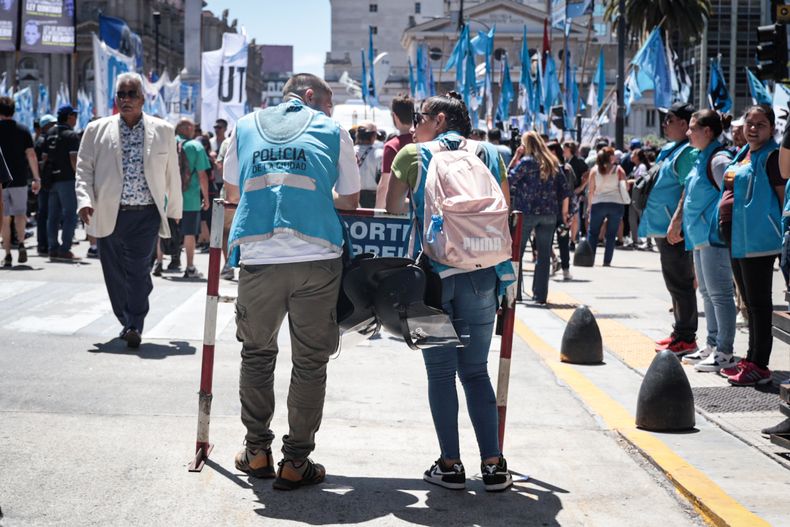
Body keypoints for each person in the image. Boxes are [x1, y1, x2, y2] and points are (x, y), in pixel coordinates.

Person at [223, 73, 359, 490]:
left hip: (259, 256)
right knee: (310, 362)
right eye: (329, 101)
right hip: (318, 256)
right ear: (309, 96)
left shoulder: (244, 127)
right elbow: (351, 200)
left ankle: (257, 451)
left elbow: (231, 194)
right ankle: (296, 462)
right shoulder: (334, 131)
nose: (332, 111)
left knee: (257, 354)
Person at [386, 92, 514, 492]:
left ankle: (450, 465)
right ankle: (494, 466)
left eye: (419, 118)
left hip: (433, 280)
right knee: (475, 372)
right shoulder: (493, 153)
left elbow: (390, 209)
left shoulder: (412, 154)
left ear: (439, 120)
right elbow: (505, 209)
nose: (413, 125)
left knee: (440, 374)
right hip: (483, 275)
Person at [75, 72, 182, 348]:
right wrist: (84, 200)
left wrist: (175, 212)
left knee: (136, 269)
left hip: (146, 214)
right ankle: (127, 316)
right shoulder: (96, 130)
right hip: (109, 211)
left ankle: (134, 323)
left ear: (143, 99)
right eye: (120, 95)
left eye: (131, 94)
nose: (125, 100)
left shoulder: (163, 130)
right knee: (114, 273)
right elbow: (84, 169)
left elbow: (173, 174)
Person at [717, 105, 784, 386]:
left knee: (759, 304)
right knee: (748, 301)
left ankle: (760, 364)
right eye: (749, 123)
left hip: (760, 240)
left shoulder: (773, 156)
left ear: (772, 128)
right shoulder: (744, 154)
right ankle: (751, 357)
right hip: (739, 238)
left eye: (761, 124)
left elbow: (783, 196)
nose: (753, 128)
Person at [677, 110, 737, 373]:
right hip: (699, 236)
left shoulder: (719, 160)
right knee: (707, 293)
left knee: (720, 294)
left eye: (693, 128)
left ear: (708, 131)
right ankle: (713, 344)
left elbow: (734, 194)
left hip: (713, 237)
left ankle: (724, 351)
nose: (688, 133)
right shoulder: (703, 157)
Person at [639, 102, 699, 356]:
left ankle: (686, 337)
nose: (664, 123)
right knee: (673, 282)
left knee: (680, 283)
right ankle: (679, 331)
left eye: (670, 119)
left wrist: (676, 222)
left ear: (684, 125)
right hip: (663, 227)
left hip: (673, 229)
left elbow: (689, 188)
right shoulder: (672, 150)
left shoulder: (686, 153)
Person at [0, 96, 41, 268]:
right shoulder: (23, 130)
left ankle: (8, 253)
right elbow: (31, 155)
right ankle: (22, 244)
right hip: (19, 179)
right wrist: (36, 178)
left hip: (1, 182)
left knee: (4, 217)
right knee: (20, 215)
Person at [44, 105, 81, 262]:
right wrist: (79, 176)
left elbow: (45, 158)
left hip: (51, 180)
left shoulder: (50, 133)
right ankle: (65, 249)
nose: (76, 119)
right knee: (70, 215)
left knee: (52, 215)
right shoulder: (71, 135)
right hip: (67, 180)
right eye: (75, 116)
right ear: (69, 117)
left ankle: (52, 248)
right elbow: (74, 158)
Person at [587, 147, 628, 266]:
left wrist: (590, 207)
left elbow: (591, 191)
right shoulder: (619, 169)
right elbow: (625, 186)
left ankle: (590, 259)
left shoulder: (594, 170)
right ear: (610, 157)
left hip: (598, 203)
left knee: (593, 233)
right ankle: (607, 261)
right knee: (611, 234)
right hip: (616, 203)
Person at [375, 95, 414, 209]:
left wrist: (377, 214)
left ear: (394, 116)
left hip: (400, 211)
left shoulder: (392, 146)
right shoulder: (424, 141)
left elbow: (384, 185)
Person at [34, 114, 56, 256]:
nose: (55, 126)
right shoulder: (42, 141)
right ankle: (43, 243)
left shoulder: (42, 140)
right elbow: (39, 163)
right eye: (52, 124)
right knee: (45, 214)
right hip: (44, 182)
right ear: (45, 126)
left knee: (44, 213)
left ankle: (43, 243)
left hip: (44, 181)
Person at [353, 120, 382, 208]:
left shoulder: (350, 151)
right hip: (374, 197)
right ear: (373, 136)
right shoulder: (380, 153)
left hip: (353, 196)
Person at [628, 148, 652, 250]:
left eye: (633, 154)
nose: (631, 155)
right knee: (632, 218)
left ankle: (648, 242)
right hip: (634, 196)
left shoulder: (642, 167)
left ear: (637, 156)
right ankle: (635, 240)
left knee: (643, 218)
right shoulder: (635, 167)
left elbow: (642, 179)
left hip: (640, 196)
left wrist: (629, 181)